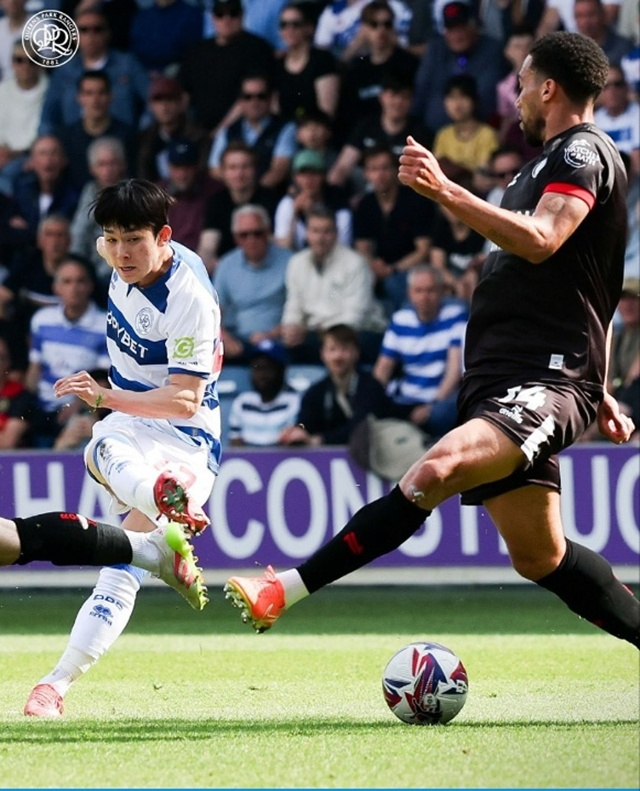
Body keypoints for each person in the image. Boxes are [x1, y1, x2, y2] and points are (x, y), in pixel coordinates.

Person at [224, 32, 640, 650]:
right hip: (509, 378)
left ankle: (284, 589)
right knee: (539, 556)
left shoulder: (582, 154)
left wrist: (446, 191)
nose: (517, 96)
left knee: (433, 470)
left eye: (522, 83)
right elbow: (591, 283)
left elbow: (545, 239)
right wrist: (599, 385)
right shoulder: (533, 170)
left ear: (549, 87)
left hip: (542, 381)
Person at [23, 179, 223, 718]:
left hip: (185, 437)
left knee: (117, 565)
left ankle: (54, 685)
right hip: (132, 423)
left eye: (133, 240)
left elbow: (184, 401)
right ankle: (165, 522)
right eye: (110, 240)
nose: (120, 253)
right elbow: (110, 240)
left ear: (164, 236)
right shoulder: (118, 255)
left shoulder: (188, 299)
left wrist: (105, 395)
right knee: (98, 450)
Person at [280, 205, 386, 364]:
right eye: (315, 231)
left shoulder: (355, 263)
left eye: (326, 231)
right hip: (315, 335)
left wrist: (324, 333)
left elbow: (354, 316)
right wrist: (291, 327)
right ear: (307, 234)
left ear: (336, 234)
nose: (320, 238)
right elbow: (293, 304)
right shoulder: (296, 263)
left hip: (357, 332)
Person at [373, 265, 467, 438]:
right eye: (419, 291)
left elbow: (454, 371)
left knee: (441, 414)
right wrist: (371, 397)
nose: (424, 296)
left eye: (430, 290)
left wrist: (432, 405)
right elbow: (383, 368)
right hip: (407, 396)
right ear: (410, 293)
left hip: (442, 398)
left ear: (441, 292)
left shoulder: (456, 316)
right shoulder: (400, 320)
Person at [25, 255, 109, 448]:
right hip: (42, 404)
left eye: (80, 281)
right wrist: (26, 406)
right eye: (67, 281)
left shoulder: (105, 325)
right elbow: (34, 369)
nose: (74, 288)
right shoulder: (41, 320)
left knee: (77, 432)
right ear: (56, 287)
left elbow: (103, 379)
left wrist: (77, 405)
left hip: (81, 407)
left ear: (90, 286)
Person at [38, 6, 149, 136]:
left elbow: (153, 98)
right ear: (75, 36)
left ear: (108, 33)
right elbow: (48, 115)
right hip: (74, 144)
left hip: (120, 143)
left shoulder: (127, 64)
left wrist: (142, 134)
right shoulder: (64, 68)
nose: (91, 35)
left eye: (97, 29)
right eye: (84, 30)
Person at [279, 323, 395, 447]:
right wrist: (297, 431)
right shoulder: (315, 392)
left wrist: (321, 440)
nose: (338, 356)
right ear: (322, 354)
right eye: (332, 349)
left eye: (344, 349)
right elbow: (305, 422)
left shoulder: (370, 386)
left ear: (356, 352)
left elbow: (362, 425)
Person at [353, 144, 434, 314]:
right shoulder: (365, 205)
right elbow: (362, 247)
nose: (379, 175)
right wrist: (373, 264)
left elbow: (423, 250)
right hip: (375, 269)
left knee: (394, 284)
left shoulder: (415, 200)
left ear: (395, 170)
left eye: (384, 168)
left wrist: (393, 269)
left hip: (409, 270)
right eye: (373, 169)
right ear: (366, 174)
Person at [177, 0, 275, 136]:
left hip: (240, 130)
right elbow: (184, 92)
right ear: (212, 18)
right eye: (220, 14)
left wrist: (219, 132)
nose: (226, 19)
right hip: (197, 129)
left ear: (242, 15)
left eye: (233, 14)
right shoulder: (197, 50)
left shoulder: (257, 48)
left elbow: (250, 97)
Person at [213, 204, 291, 362]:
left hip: (281, 340)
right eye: (244, 235)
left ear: (268, 232)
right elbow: (213, 312)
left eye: (258, 233)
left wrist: (272, 334)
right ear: (236, 238)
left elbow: (301, 309)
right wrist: (223, 337)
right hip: (239, 343)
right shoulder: (226, 265)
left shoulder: (290, 261)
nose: (252, 239)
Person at [198, 142, 279, 274]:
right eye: (232, 168)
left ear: (255, 170)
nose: (239, 173)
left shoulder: (271, 199)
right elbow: (207, 247)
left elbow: (276, 243)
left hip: (267, 268)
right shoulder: (216, 202)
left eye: (245, 167)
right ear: (223, 172)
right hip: (226, 271)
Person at [207, 73, 297, 192]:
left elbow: (278, 170)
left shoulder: (286, 127)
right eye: (247, 97)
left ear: (271, 98)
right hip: (233, 198)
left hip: (270, 198)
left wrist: (252, 195)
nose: (254, 102)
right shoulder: (228, 131)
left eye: (261, 96)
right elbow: (215, 170)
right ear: (240, 101)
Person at [58, 70, 137, 191]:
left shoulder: (128, 135)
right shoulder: (67, 137)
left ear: (111, 96)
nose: (95, 100)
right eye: (89, 93)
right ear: (80, 98)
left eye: (101, 93)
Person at [274, 2, 340, 123]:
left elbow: (327, 112)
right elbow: (275, 110)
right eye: (284, 25)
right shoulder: (277, 64)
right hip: (286, 132)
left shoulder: (322, 60)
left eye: (295, 24)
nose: (289, 30)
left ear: (309, 28)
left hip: (317, 132)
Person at [274, 149, 352, 251]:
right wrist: (294, 213)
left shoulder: (339, 203)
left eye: (314, 173)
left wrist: (310, 214)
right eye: (303, 174)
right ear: (295, 177)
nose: (308, 179)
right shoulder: (288, 203)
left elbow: (342, 247)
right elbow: (283, 248)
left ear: (323, 176)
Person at [228, 339, 300, 446]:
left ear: (282, 370)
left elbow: (291, 444)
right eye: (257, 368)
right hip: (246, 461)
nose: (261, 375)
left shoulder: (294, 401)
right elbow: (235, 443)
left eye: (267, 368)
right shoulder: (242, 402)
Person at [0, 42, 49, 197]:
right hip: (4, 151)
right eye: (19, 60)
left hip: (32, 154)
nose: (26, 65)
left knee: (8, 174)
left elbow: (46, 130)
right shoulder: (3, 90)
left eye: (32, 60)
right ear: (12, 63)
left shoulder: (49, 89)